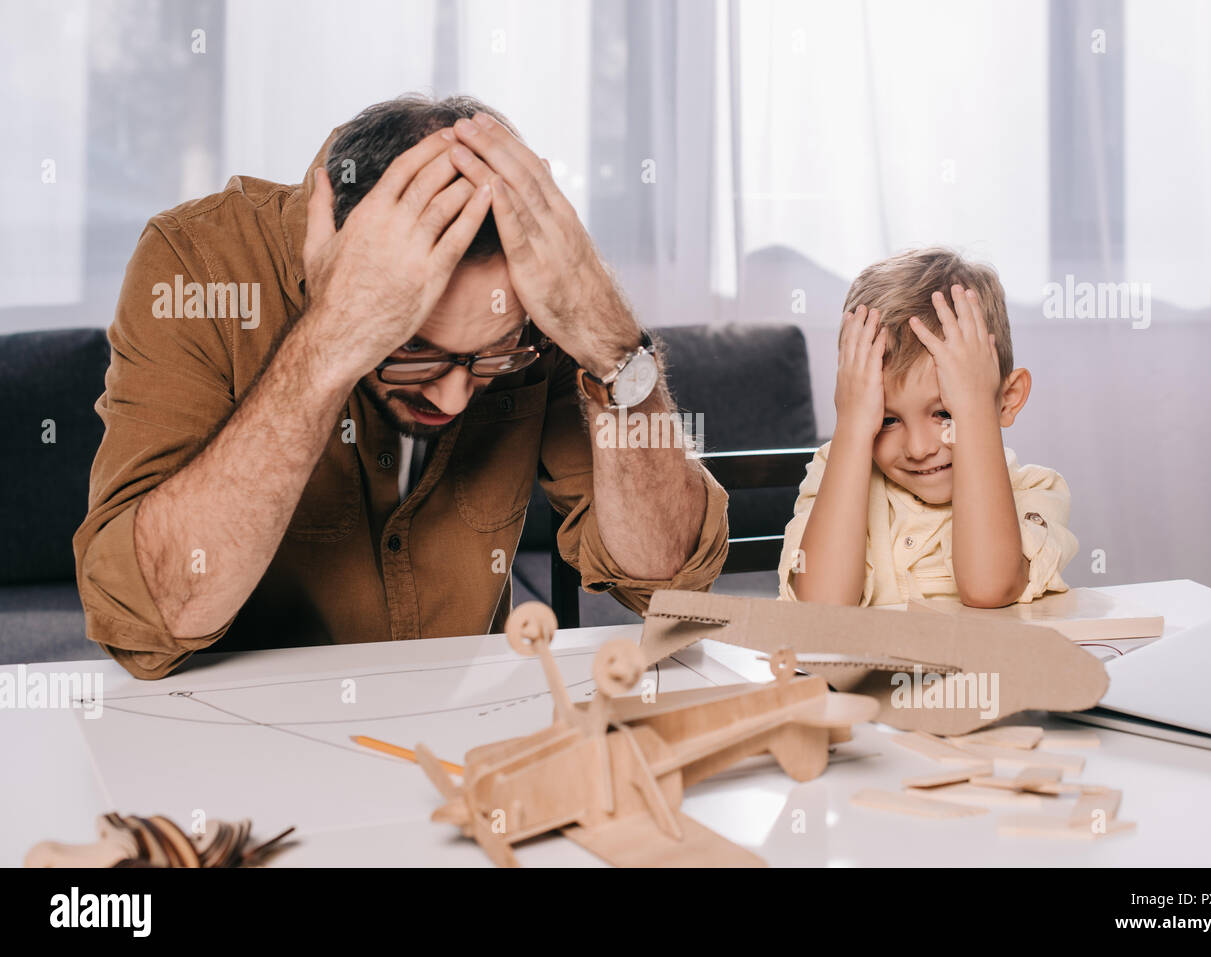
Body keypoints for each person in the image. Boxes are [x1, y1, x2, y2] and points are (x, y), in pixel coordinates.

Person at [73, 94, 728, 680]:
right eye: (412, 350)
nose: (451, 399)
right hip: (222, 742)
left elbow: (666, 583)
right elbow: (145, 624)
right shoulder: (199, 264)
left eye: (493, 357)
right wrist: (330, 338)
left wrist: (616, 349)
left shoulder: (535, 302)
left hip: (444, 743)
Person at [777, 247, 1077, 607]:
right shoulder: (836, 472)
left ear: (1007, 398)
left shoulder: (1034, 491)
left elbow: (989, 588)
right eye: (887, 419)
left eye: (944, 414)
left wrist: (974, 411)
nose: (919, 448)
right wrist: (853, 429)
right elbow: (822, 608)